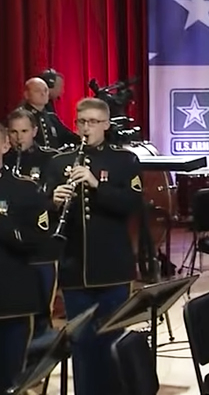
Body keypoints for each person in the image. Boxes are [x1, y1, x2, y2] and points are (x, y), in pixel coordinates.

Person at [43, 98, 144, 395]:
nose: (86, 128)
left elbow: (132, 204)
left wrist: (97, 185)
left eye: (93, 122)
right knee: (82, 344)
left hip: (113, 266)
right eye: (81, 122)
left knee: (112, 341)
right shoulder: (59, 162)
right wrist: (53, 202)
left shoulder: (124, 160)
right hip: (75, 269)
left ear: (106, 125)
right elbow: (42, 213)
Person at [0, 161, 53, 388]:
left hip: (12, 303)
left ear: (4, 146)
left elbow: (38, 240)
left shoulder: (25, 189)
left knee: (11, 381)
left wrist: (3, 223)